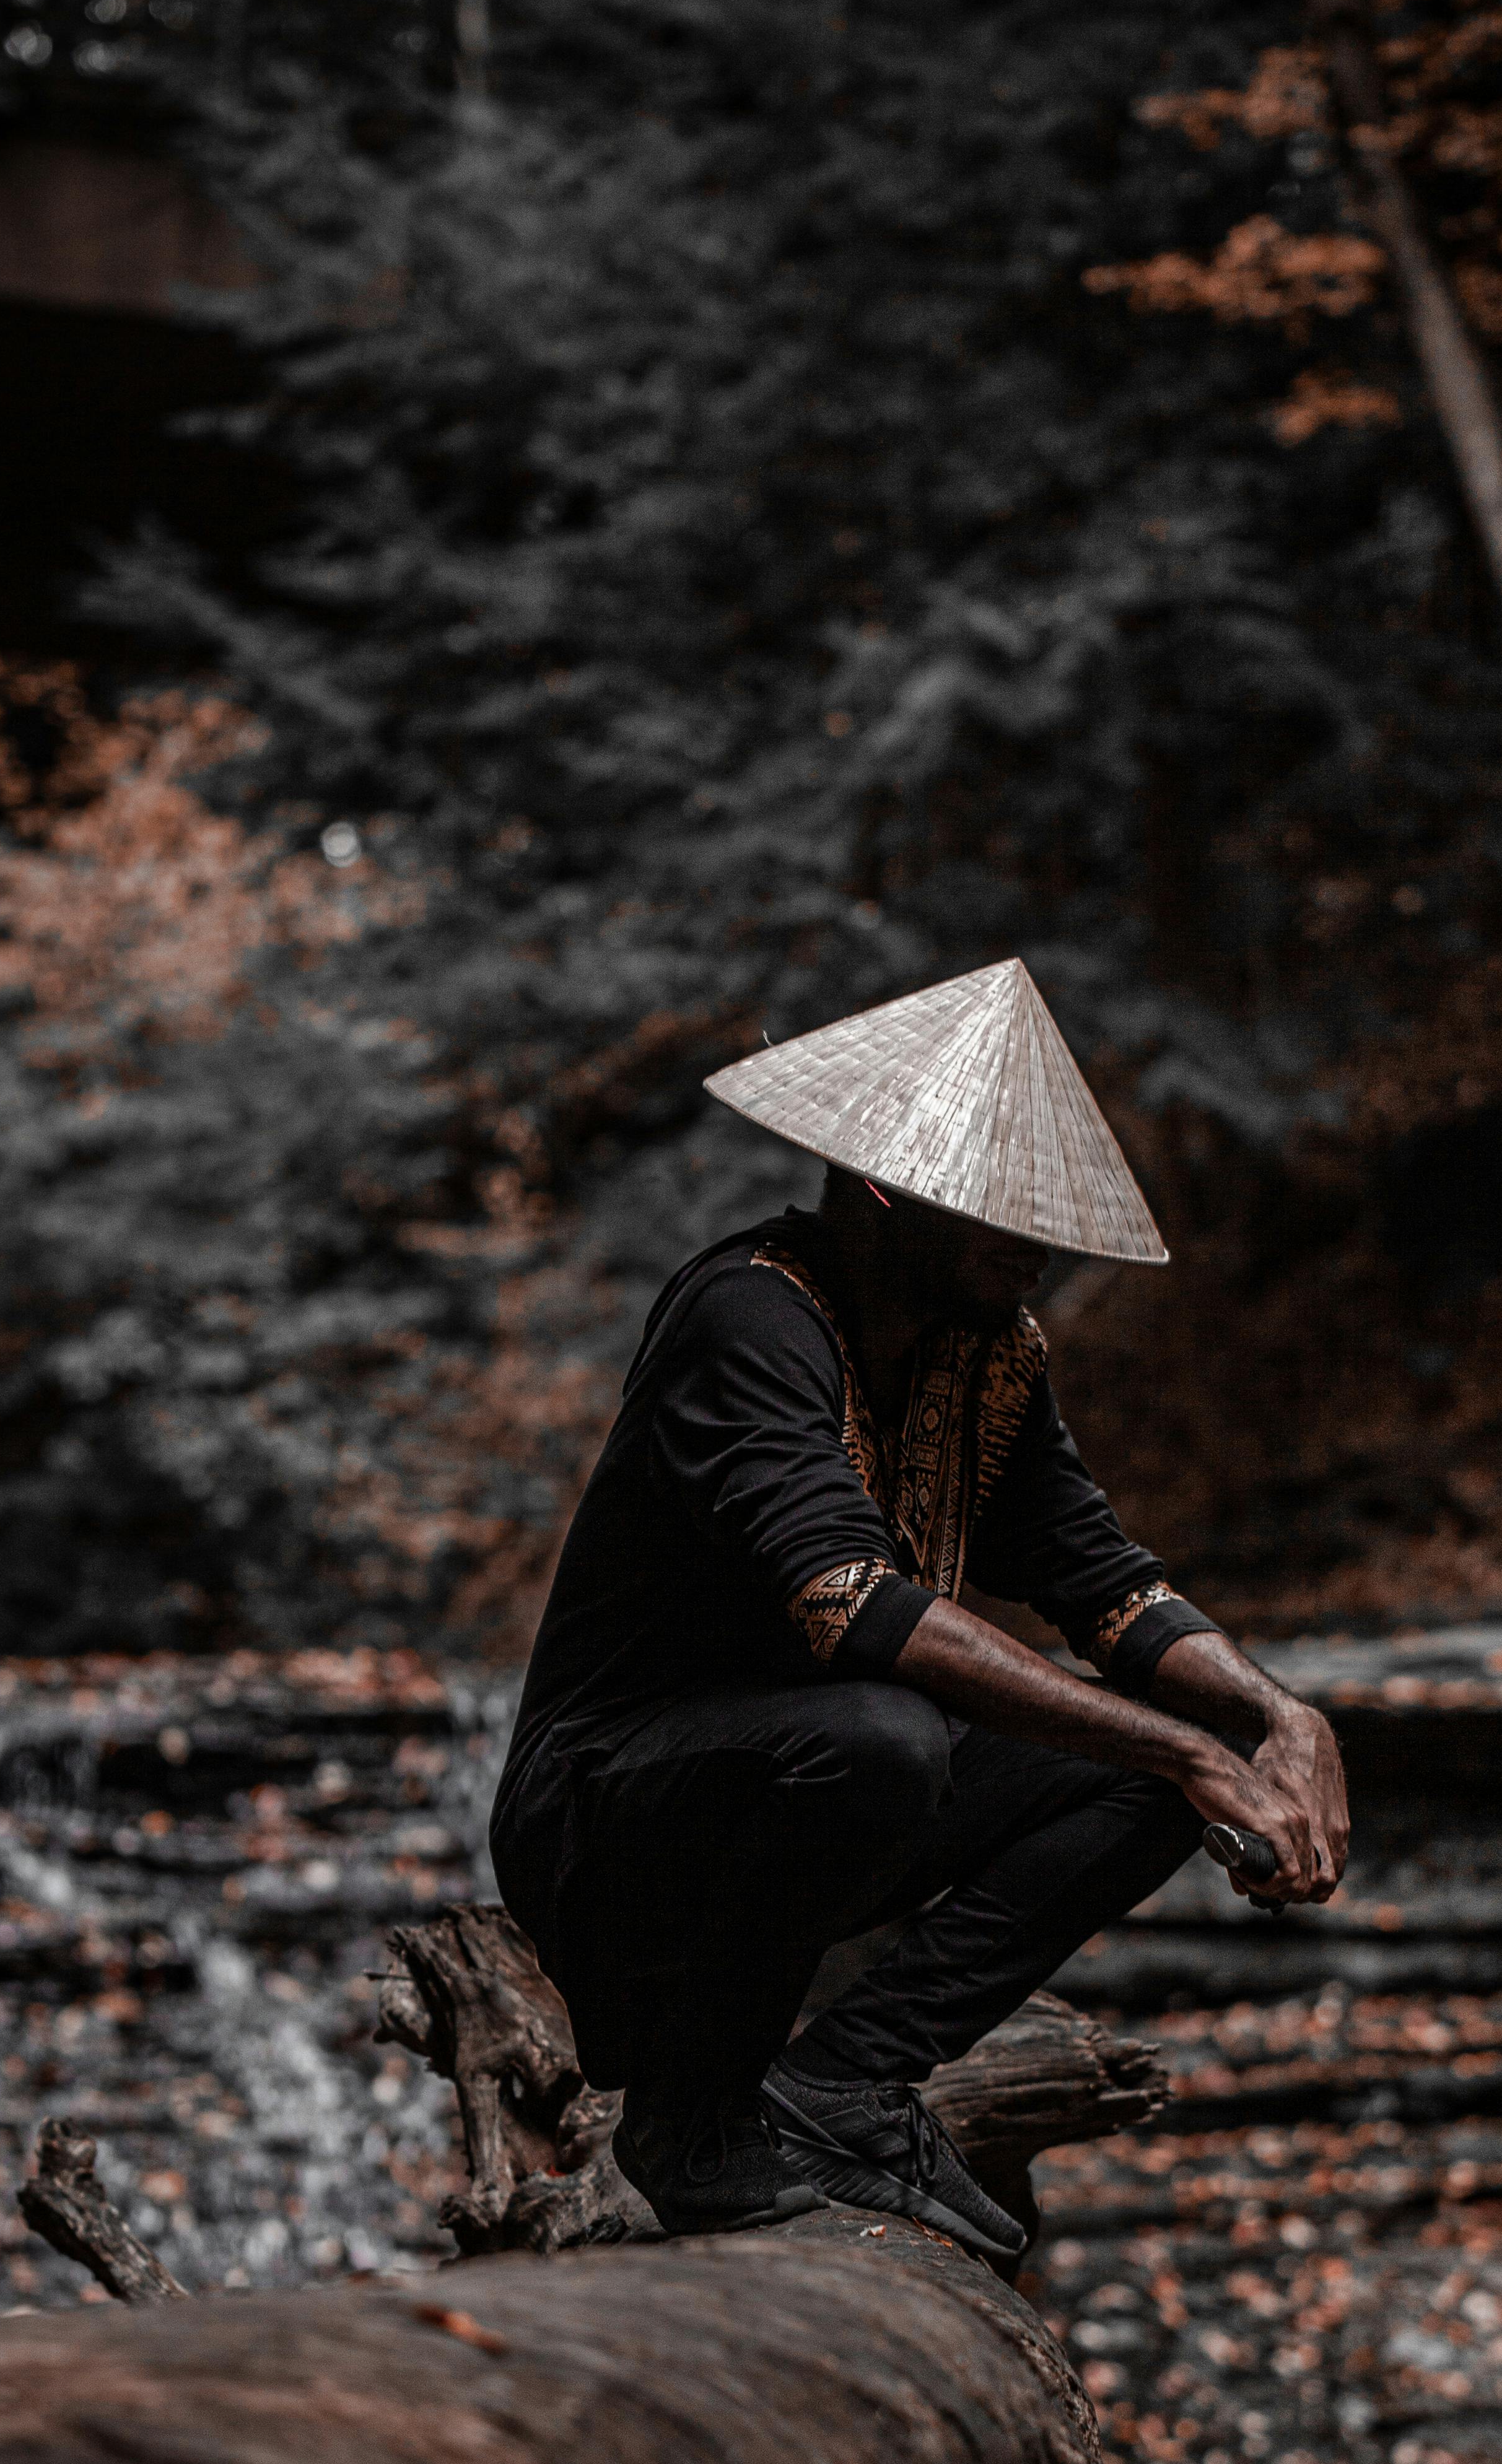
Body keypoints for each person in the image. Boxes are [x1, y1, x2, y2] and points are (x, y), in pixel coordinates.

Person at [490, 956, 1349, 2258]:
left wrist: (1272, 1718)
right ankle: (693, 2125)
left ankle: (839, 2087)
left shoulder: (987, 1356)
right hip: (612, 1823)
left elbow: (1103, 1584)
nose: (1037, 1245)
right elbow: (852, 1604)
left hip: (815, 1798)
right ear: (886, 1189)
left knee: (1145, 1777)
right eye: (998, 1212)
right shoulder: (750, 1316)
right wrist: (1178, 1743)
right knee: (889, 1734)